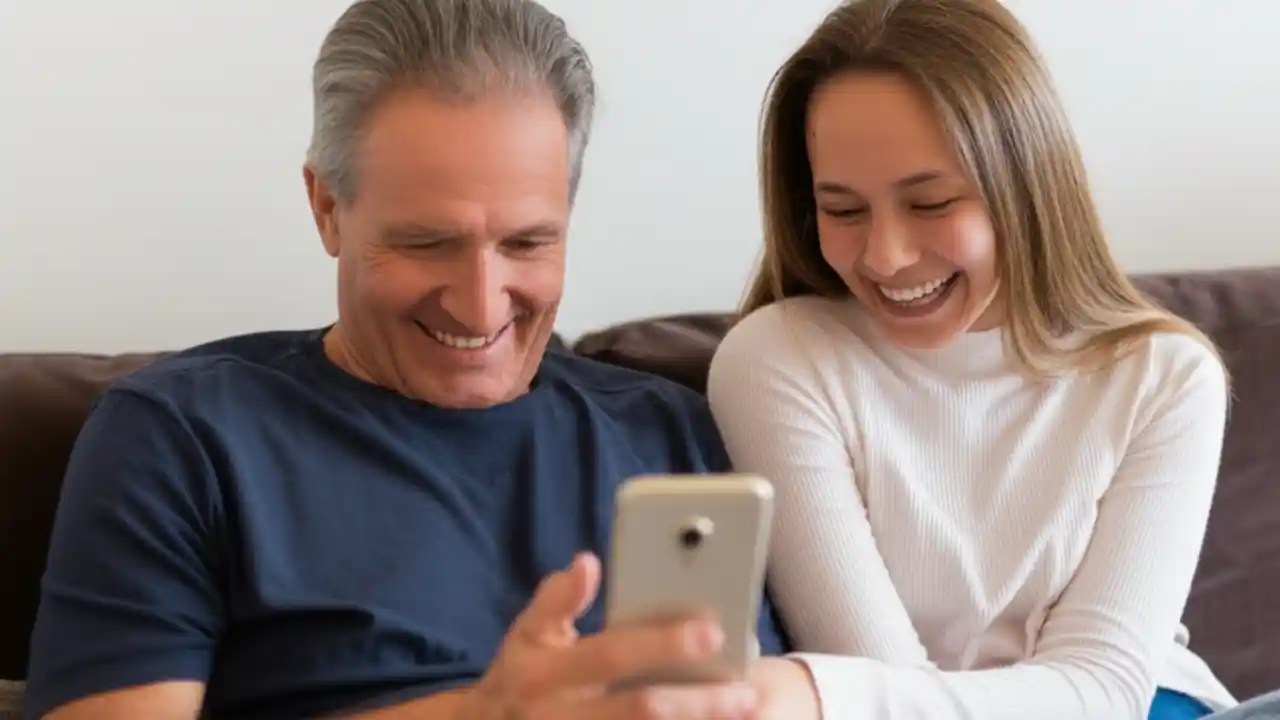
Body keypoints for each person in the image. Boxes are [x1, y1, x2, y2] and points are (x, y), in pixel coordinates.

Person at [23, 1, 791, 718]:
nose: (482, 307)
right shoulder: (182, 435)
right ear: (327, 206)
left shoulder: (669, 435)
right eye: (428, 243)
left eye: (527, 242)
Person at [707, 0, 1280, 718]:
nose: (886, 256)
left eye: (930, 203)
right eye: (844, 211)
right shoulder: (779, 359)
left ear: (1025, 187)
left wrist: (815, 692)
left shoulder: (1165, 375)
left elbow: (1106, 688)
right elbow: (879, 686)